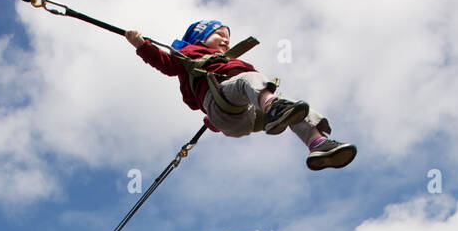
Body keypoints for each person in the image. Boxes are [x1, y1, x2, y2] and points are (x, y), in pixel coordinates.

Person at [125, 20, 356, 171]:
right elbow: (165, 63)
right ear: (199, 38)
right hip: (222, 101)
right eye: (218, 35)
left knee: (294, 105)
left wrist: (214, 122)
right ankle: (273, 107)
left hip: (243, 115)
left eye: (227, 37)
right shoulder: (189, 54)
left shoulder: (228, 60)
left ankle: (318, 143)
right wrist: (141, 44)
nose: (225, 40)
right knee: (248, 78)